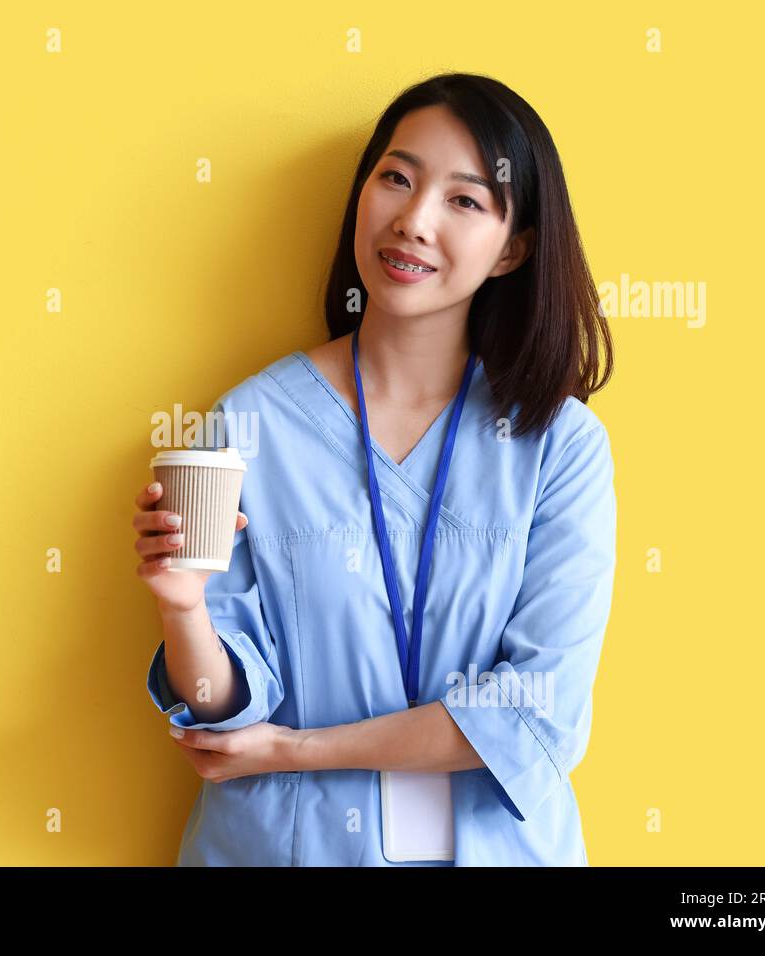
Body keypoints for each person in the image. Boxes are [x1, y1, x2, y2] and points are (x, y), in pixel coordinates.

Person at [130, 72, 616, 866]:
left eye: (464, 200)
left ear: (513, 248)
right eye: (395, 177)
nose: (413, 221)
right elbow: (218, 713)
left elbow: (538, 714)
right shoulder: (247, 426)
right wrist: (182, 608)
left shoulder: (558, 444)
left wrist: (296, 750)